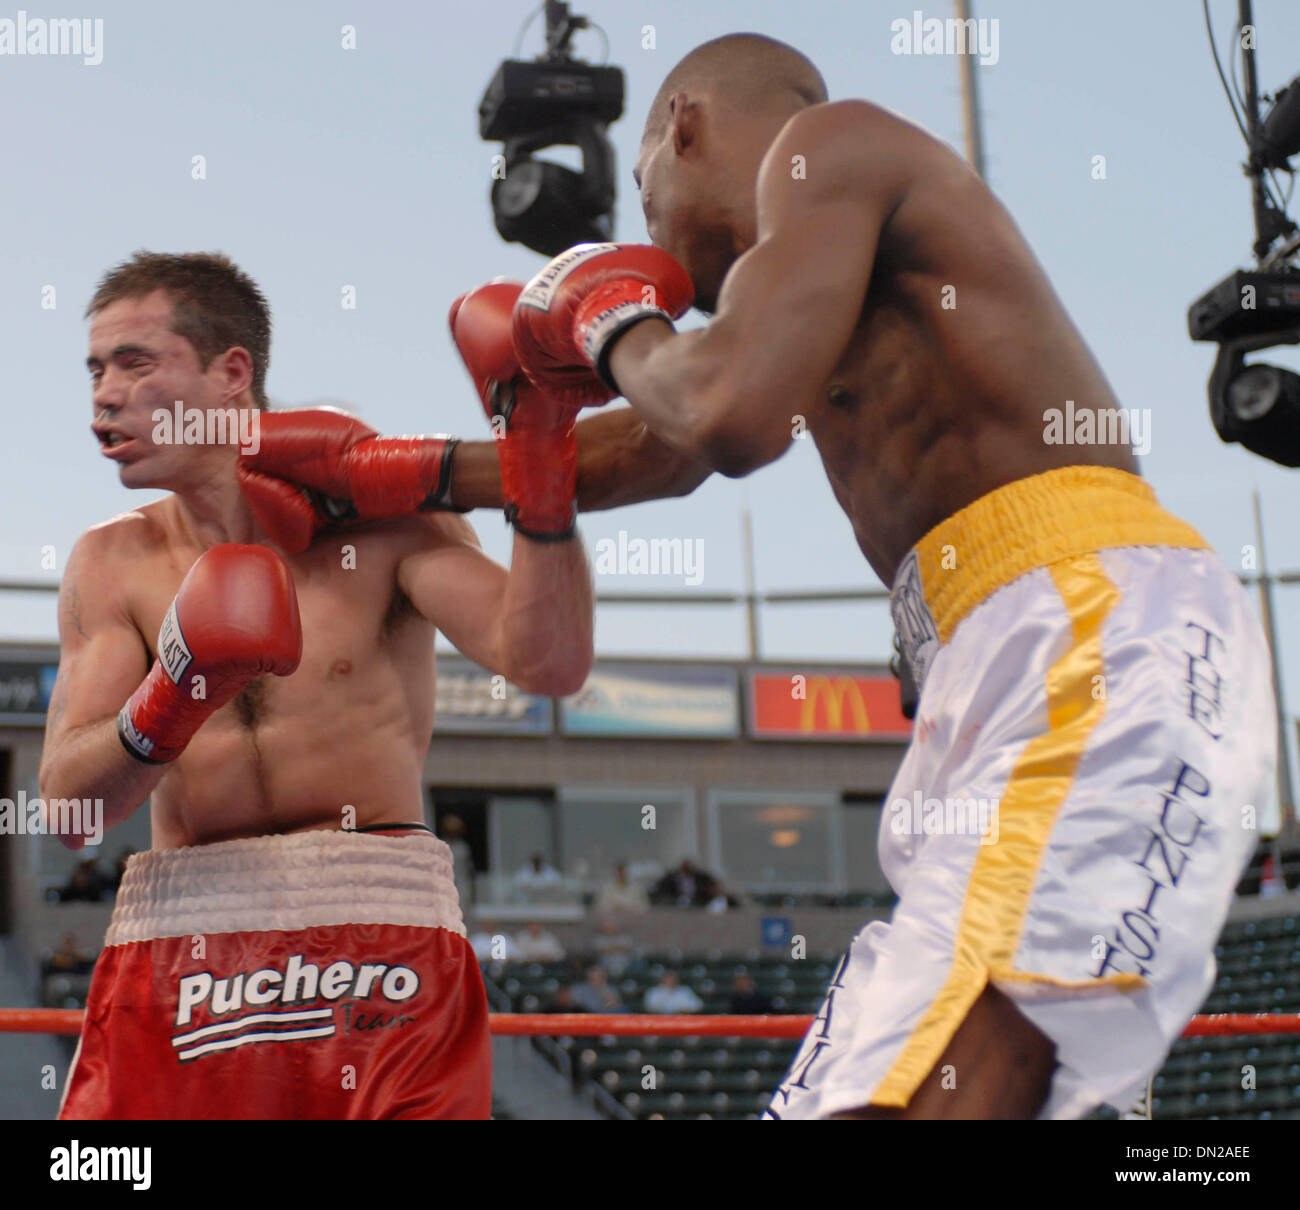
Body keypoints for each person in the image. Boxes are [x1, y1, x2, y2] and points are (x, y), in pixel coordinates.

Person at [505, 33, 1277, 1120]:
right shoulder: (801, 305)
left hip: (1087, 629)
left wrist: (599, 317)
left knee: (930, 1089)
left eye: (642, 193)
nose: (648, 232)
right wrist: (396, 475)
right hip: (997, 670)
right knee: (854, 1094)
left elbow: (719, 412)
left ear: (684, 123)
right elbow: (660, 443)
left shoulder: (831, 147)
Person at [39, 252, 595, 1120]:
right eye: (96, 369)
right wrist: (170, 698)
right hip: (182, 946)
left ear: (232, 374)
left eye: (136, 363)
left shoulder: (386, 523)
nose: (104, 394)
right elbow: (69, 815)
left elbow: (548, 662)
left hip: (380, 939)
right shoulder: (112, 562)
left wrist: (539, 461)